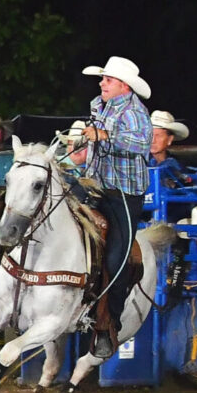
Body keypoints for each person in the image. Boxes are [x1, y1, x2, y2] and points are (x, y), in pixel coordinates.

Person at [80, 55, 153, 358]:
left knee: (117, 257)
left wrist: (104, 135)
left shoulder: (136, 112)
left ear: (123, 85)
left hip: (124, 193)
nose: (101, 84)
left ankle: (109, 323)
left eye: (107, 80)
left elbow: (140, 144)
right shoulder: (99, 104)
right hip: (95, 184)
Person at [147, 110, 191, 195]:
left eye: (158, 136)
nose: (153, 141)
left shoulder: (177, 165)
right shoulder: (135, 161)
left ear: (169, 139)